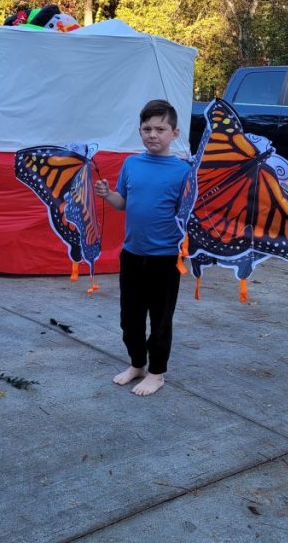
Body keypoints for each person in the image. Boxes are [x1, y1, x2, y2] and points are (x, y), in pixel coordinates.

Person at [95, 99, 189, 396]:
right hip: (132, 255)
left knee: (160, 320)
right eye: (147, 128)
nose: (152, 134)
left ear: (174, 132)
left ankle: (157, 373)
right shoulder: (131, 164)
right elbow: (123, 203)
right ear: (139, 130)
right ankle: (137, 364)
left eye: (160, 129)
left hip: (165, 259)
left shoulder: (183, 172)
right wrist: (108, 194)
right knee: (130, 318)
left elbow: (188, 215)